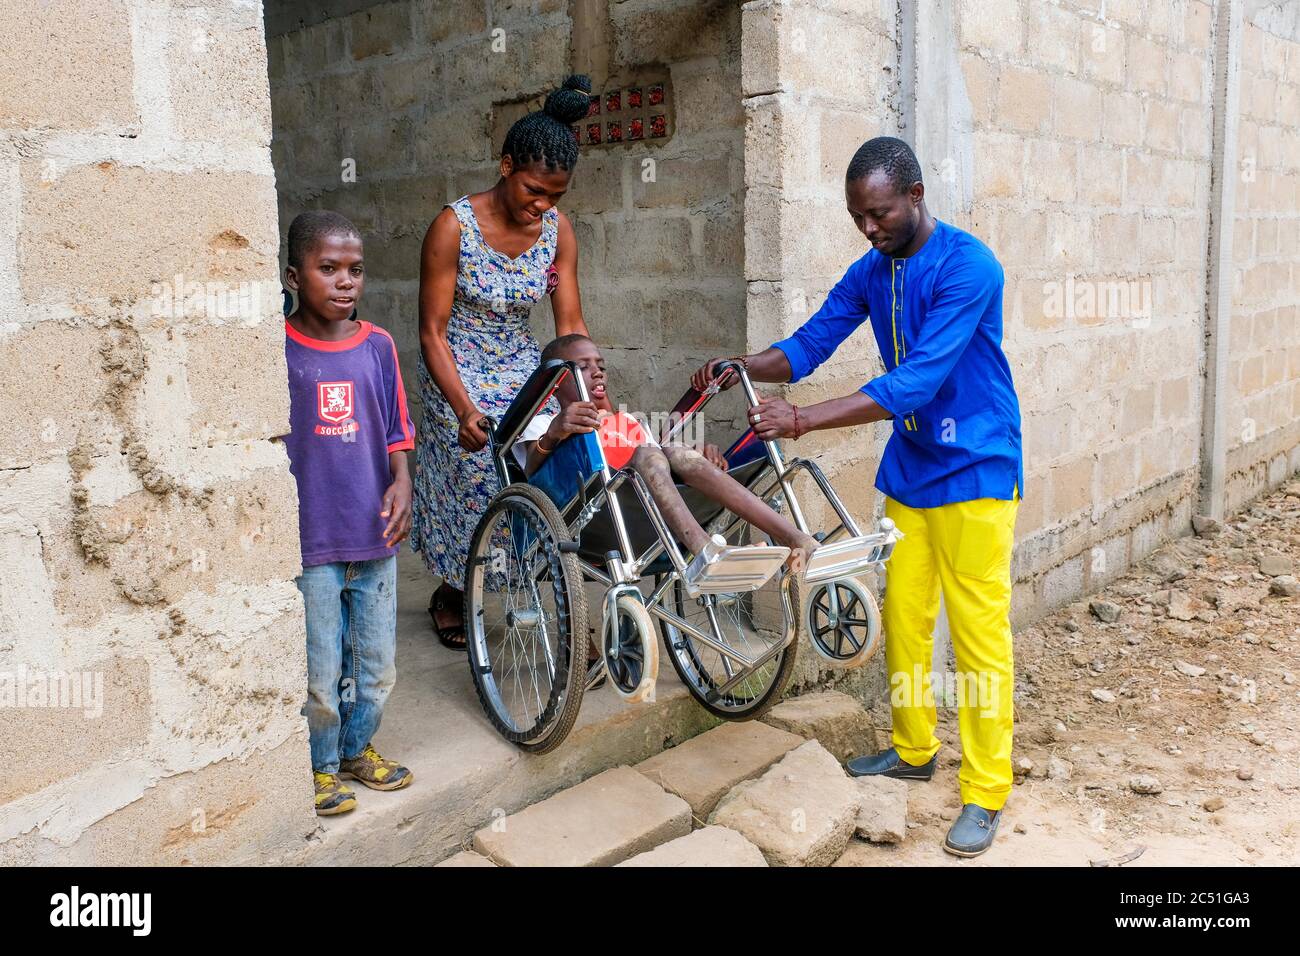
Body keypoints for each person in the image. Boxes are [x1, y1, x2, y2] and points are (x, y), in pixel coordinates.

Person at [692, 136, 1024, 858]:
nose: (870, 229)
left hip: (976, 470)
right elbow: (808, 346)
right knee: (904, 620)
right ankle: (912, 750)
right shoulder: (873, 271)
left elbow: (920, 381)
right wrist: (743, 365)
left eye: (879, 214)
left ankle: (987, 790)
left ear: (914, 195)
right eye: (858, 218)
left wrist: (804, 417)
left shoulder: (970, 267)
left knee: (978, 640)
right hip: (911, 469)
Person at [411, 75, 593, 650]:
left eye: (555, 197)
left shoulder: (556, 232)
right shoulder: (453, 227)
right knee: (475, 472)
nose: (542, 205)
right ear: (506, 165)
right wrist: (463, 408)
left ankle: (543, 589)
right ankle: (455, 590)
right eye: (534, 191)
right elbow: (430, 331)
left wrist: (582, 388)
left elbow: (569, 325)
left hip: (519, 363)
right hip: (456, 366)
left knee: (546, 459)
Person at [281, 211, 416, 816]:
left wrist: (403, 482)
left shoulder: (379, 346)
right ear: (293, 276)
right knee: (320, 668)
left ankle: (359, 749)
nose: (344, 282)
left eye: (355, 271)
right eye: (327, 268)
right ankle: (321, 763)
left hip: (373, 531)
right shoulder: (278, 349)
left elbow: (395, 427)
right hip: (312, 537)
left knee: (376, 667)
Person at [518, 334, 820, 579]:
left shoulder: (629, 423)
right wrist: (555, 433)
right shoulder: (544, 423)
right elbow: (532, 472)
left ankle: (797, 539)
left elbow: (662, 460)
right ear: (557, 382)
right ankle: (705, 551)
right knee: (653, 452)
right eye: (582, 367)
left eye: (600, 364)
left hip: (653, 512)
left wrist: (699, 456)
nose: (597, 371)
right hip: (600, 517)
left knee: (676, 451)